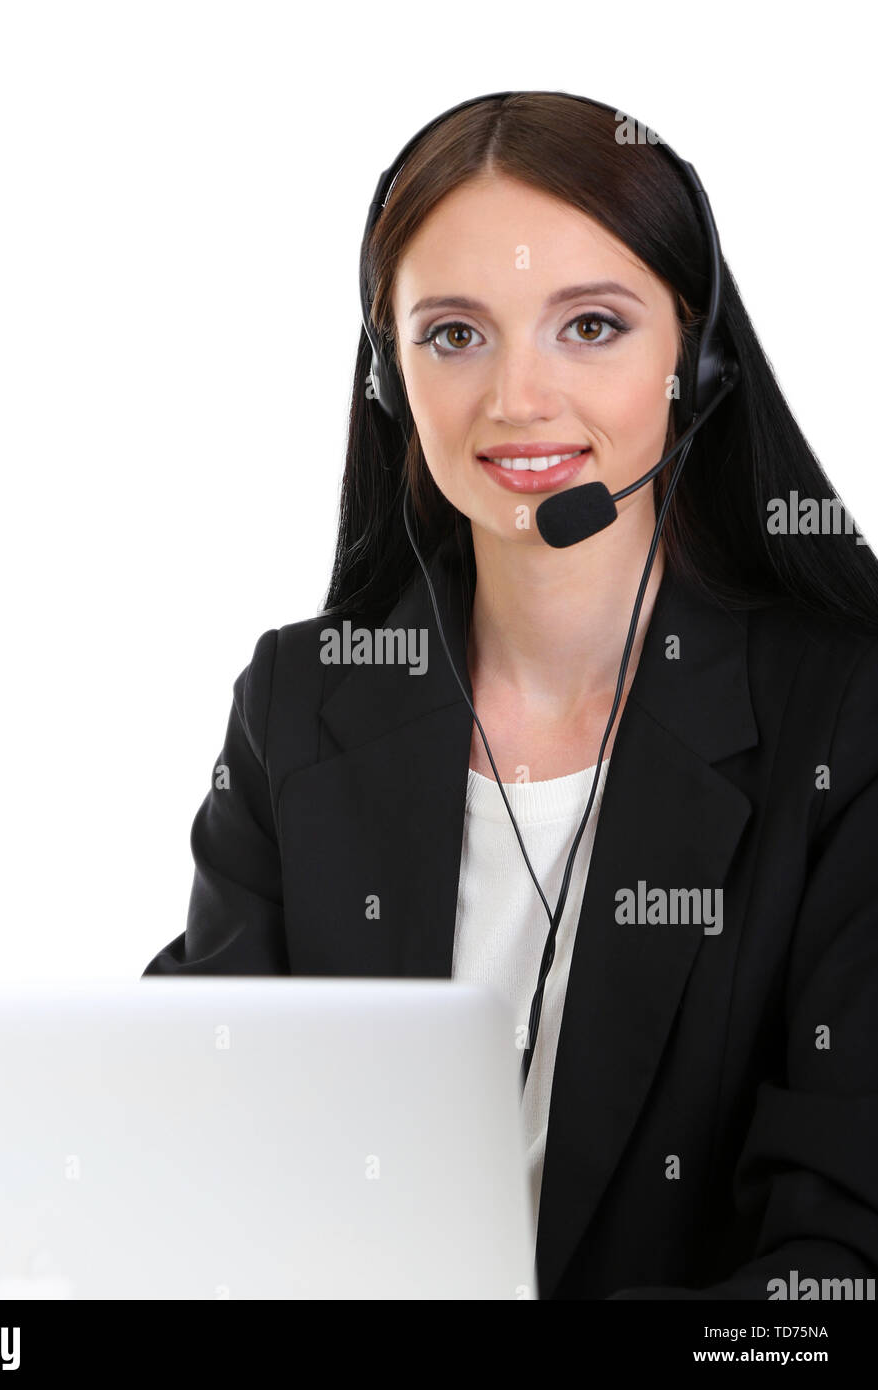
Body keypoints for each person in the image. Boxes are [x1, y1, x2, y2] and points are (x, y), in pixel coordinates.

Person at [143, 93, 878, 1300]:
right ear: (388, 374)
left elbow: (841, 1266)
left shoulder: (843, 725)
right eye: (453, 334)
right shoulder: (300, 705)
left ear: (693, 362)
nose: (518, 399)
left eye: (589, 325)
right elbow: (201, 1139)